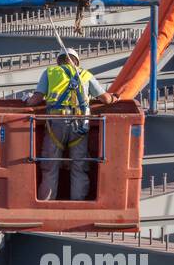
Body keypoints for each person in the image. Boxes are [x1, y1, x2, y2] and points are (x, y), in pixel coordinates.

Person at [26, 48, 116, 200]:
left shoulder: (50, 72)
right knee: (79, 167)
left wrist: (27, 100)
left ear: (59, 60)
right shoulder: (86, 75)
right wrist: (116, 98)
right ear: (76, 61)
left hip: (56, 125)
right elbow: (106, 99)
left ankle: (46, 203)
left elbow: (35, 100)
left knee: (50, 166)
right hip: (80, 126)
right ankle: (78, 202)